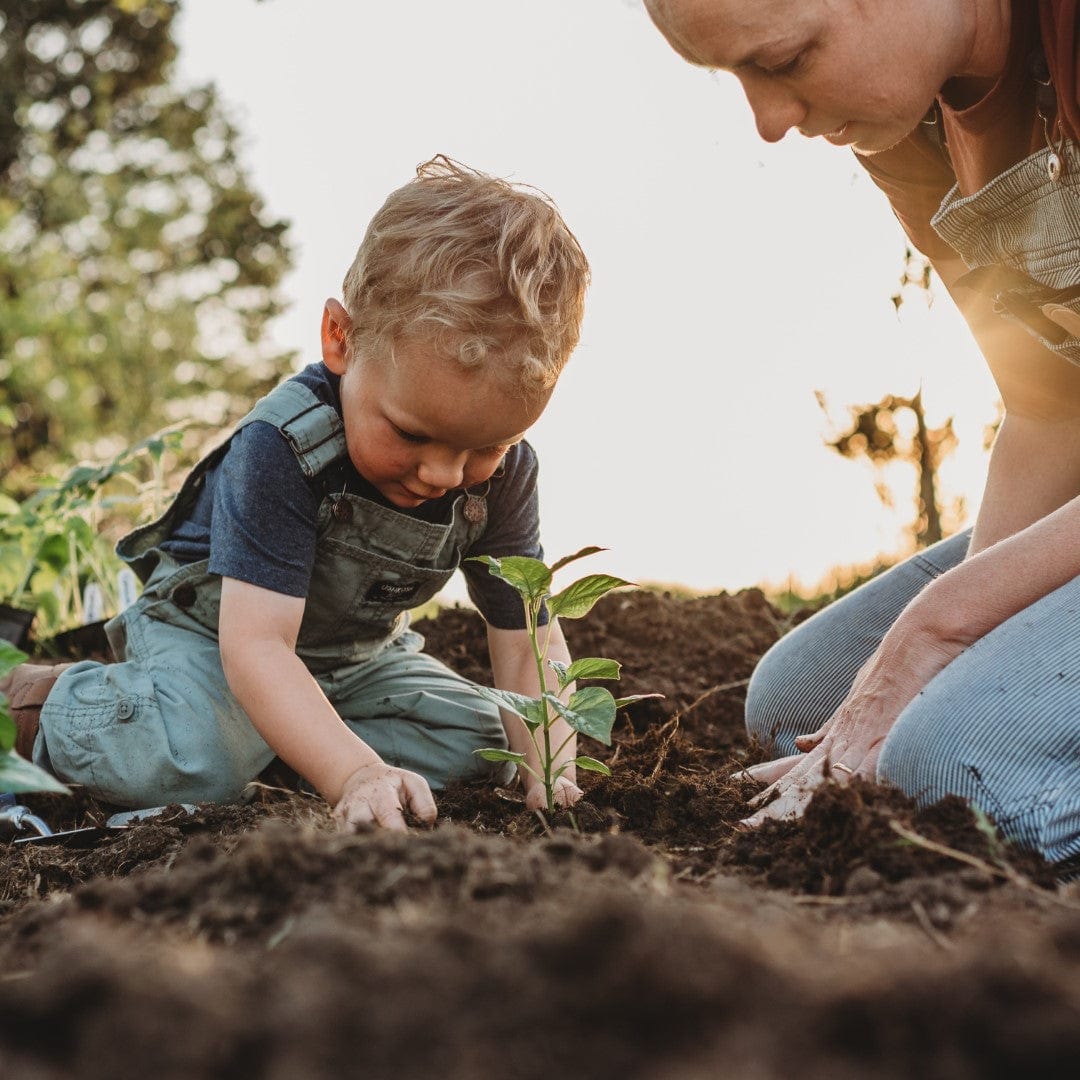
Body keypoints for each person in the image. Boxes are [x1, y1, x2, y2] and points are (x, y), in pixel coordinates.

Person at [0, 156, 591, 832]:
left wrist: (550, 766)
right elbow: (256, 648)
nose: (444, 475)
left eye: (485, 447)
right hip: (218, 641)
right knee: (201, 755)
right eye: (411, 433)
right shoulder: (283, 449)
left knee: (485, 742)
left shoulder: (507, 475)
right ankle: (41, 707)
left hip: (357, 662)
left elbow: (526, 643)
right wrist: (356, 772)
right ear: (340, 340)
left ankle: (287, 746)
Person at [644, 0, 1080, 873]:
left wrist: (936, 633)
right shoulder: (917, 134)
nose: (768, 121)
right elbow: (1051, 408)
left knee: (961, 775)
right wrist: (930, 667)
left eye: (787, 58)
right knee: (798, 703)